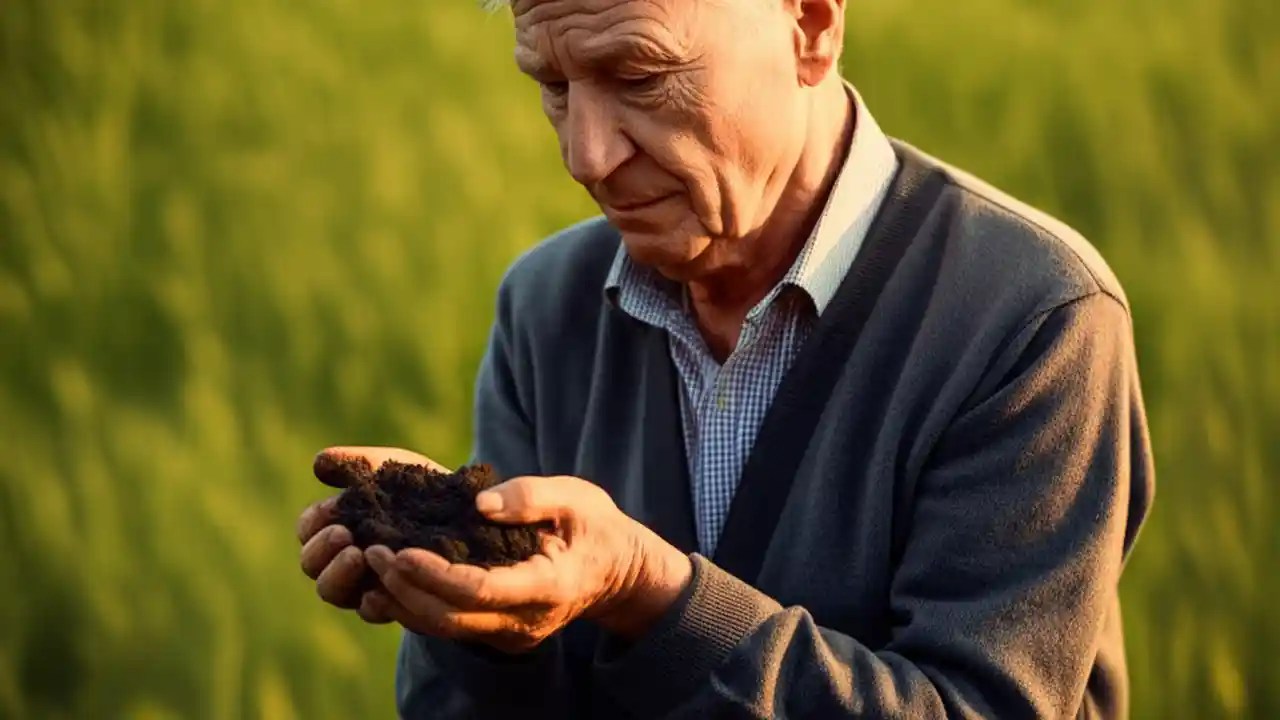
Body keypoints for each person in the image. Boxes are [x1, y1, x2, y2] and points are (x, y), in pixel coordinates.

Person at [295, 0, 1155, 716]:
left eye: (640, 75)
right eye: (553, 86)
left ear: (810, 26)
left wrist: (646, 591)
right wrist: (479, 627)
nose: (586, 155)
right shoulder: (546, 308)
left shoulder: (1028, 317)